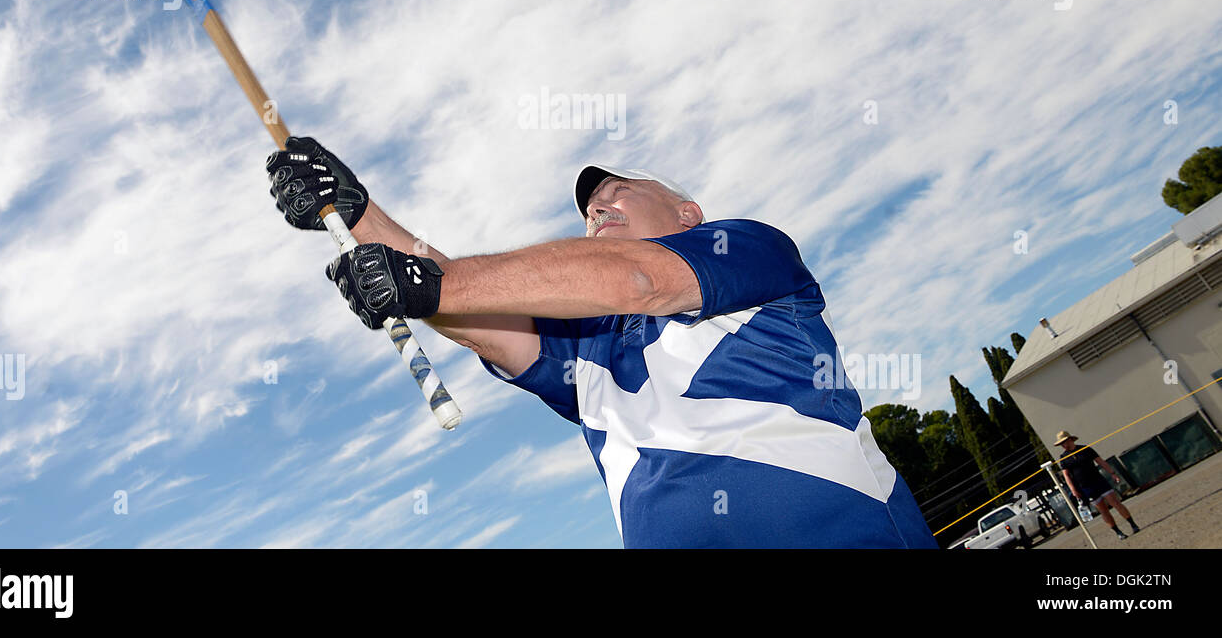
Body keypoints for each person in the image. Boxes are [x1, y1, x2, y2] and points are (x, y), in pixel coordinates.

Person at [266, 136, 938, 548]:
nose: (597, 209)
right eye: (591, 212)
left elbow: (637, 279)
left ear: (688, 214)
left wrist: (434, 286)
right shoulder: (586, 351)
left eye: (617, 192)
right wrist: (356, 212)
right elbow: (478, 313)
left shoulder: (749, 251)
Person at [1055, 431, 1141, 540]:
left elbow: (1100, 461)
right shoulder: (1063, 458)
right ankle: (1118, 531)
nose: (1063, 445)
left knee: (1115, 503)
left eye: (1064, 442)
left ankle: (1132, 524)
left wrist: (1112, 473)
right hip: (1086, 486)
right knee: (1103, 510)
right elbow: (1066, 475)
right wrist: (1073, 490)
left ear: (1070, 440)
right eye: (1061, 444)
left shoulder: (1085, 449)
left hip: (1098, 480)